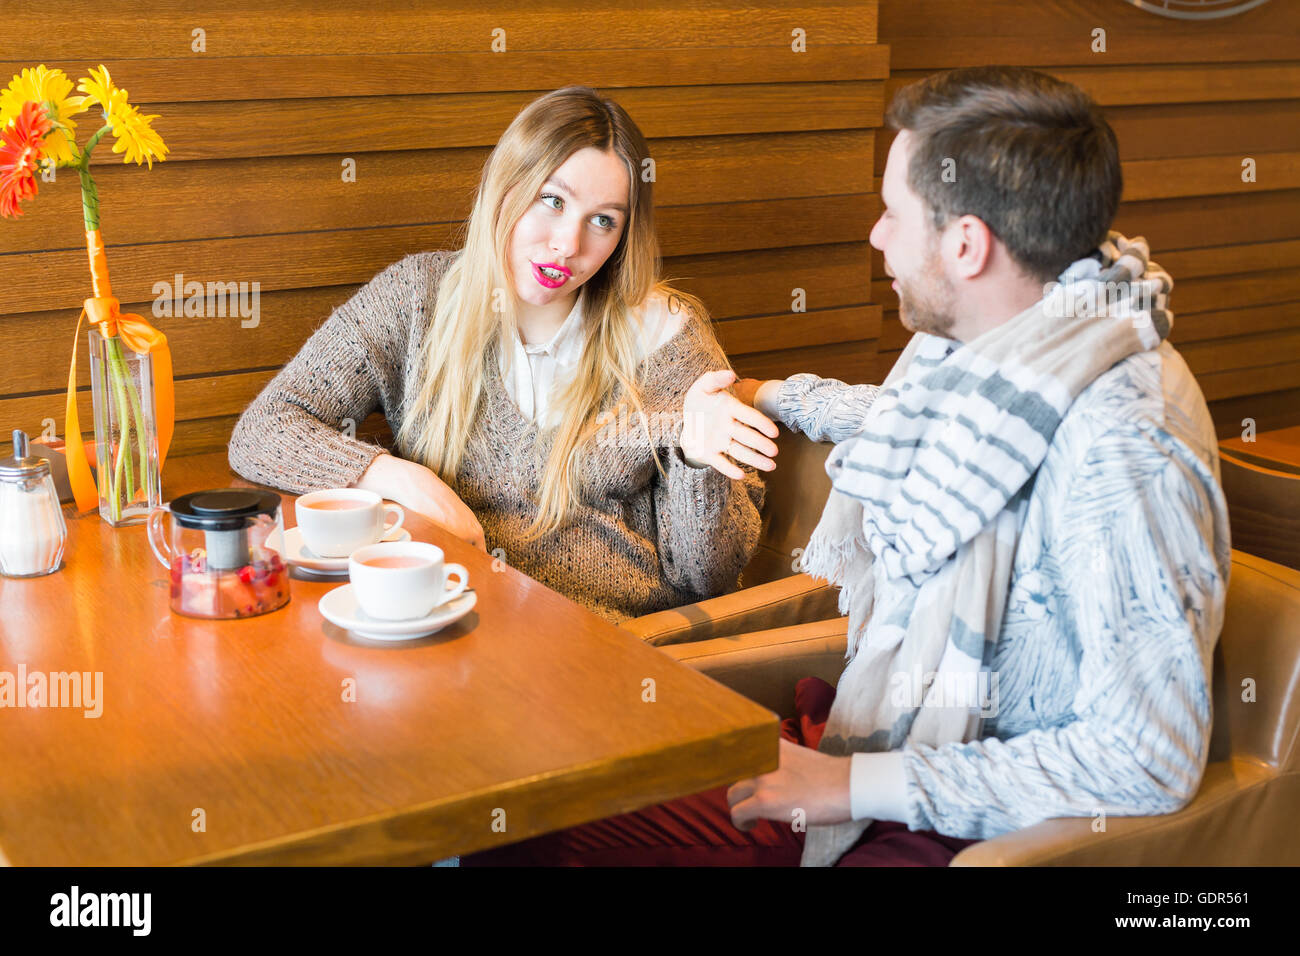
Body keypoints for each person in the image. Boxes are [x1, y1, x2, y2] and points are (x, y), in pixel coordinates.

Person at [463, 66, 1230, 866]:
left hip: (967, 820)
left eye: (894, 213)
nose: (876, 236)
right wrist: (765, 394)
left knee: (537, 828)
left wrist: (852, 786)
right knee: (524, 795)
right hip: (890, 738)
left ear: (967, 246)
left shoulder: (1127, 449)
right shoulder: (1025, 347)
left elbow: (1148, 758)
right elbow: (897, 418)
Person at [227, 86, 773, 624]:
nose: (568, 245)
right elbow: (263, 430)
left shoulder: (666, 334)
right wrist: (403, 480)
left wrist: (698, 465)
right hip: (449, 622)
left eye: (603, 220)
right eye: (552, 201)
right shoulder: (415, 298)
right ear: (505, 186)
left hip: (611, 645)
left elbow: (711, 580)